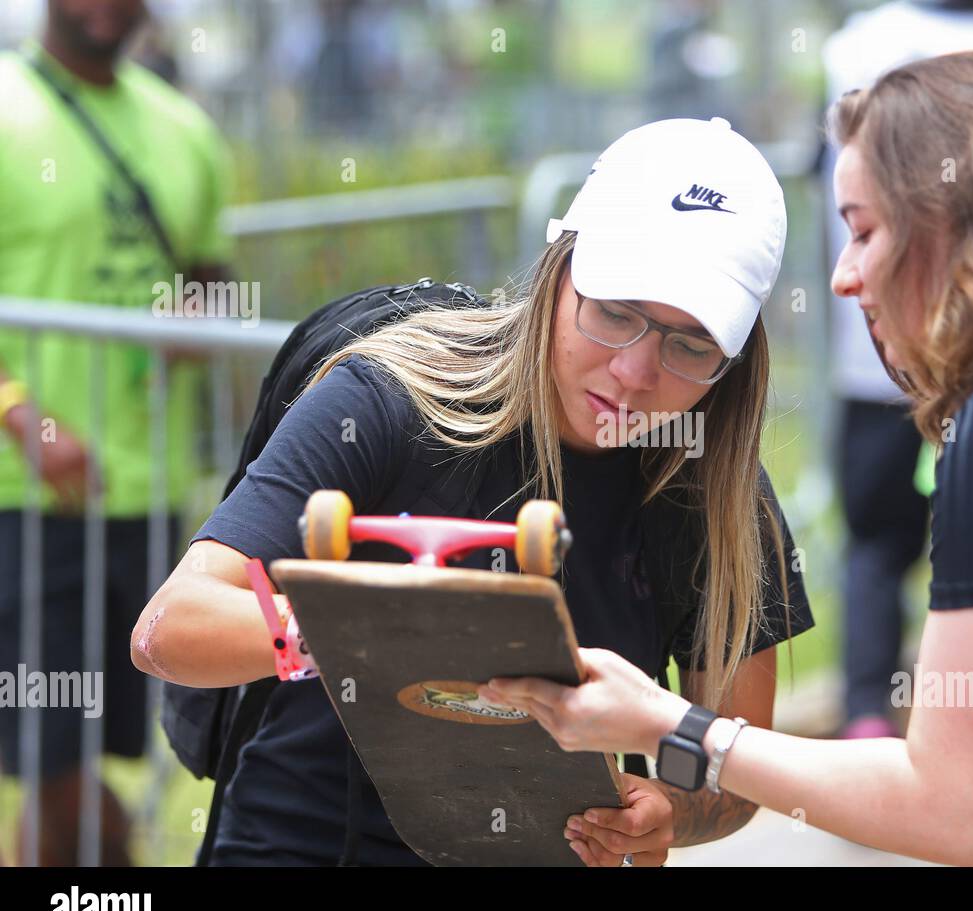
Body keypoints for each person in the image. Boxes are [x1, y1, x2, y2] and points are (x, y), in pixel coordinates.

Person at [480, 52, 973, 869]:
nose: (842, 276)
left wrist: (666, 722)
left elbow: (947, 808)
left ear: (956, 228)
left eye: (865, 230)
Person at [131, 117, 815, 867]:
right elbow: (169, 628)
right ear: (559, 271)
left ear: (738, 362)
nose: (635, 372)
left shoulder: (719, 499)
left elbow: (731, 768)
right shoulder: (390, 398)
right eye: (615, 312)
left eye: (690, 345)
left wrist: (670, 812)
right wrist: (352, 629)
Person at [0, 0, 232, 865]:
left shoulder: (182, 128)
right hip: (21, 498)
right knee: (49, 751)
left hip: (145, 490)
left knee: (81, 752)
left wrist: (194, 319)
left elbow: (211, 277)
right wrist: (24, 419)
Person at [821, 0, 973, 745]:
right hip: (904, 360)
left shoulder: (862, 42)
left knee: (892, 542)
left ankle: (874, 712)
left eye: (864, 232)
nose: (846, 269)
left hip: (886, 365)